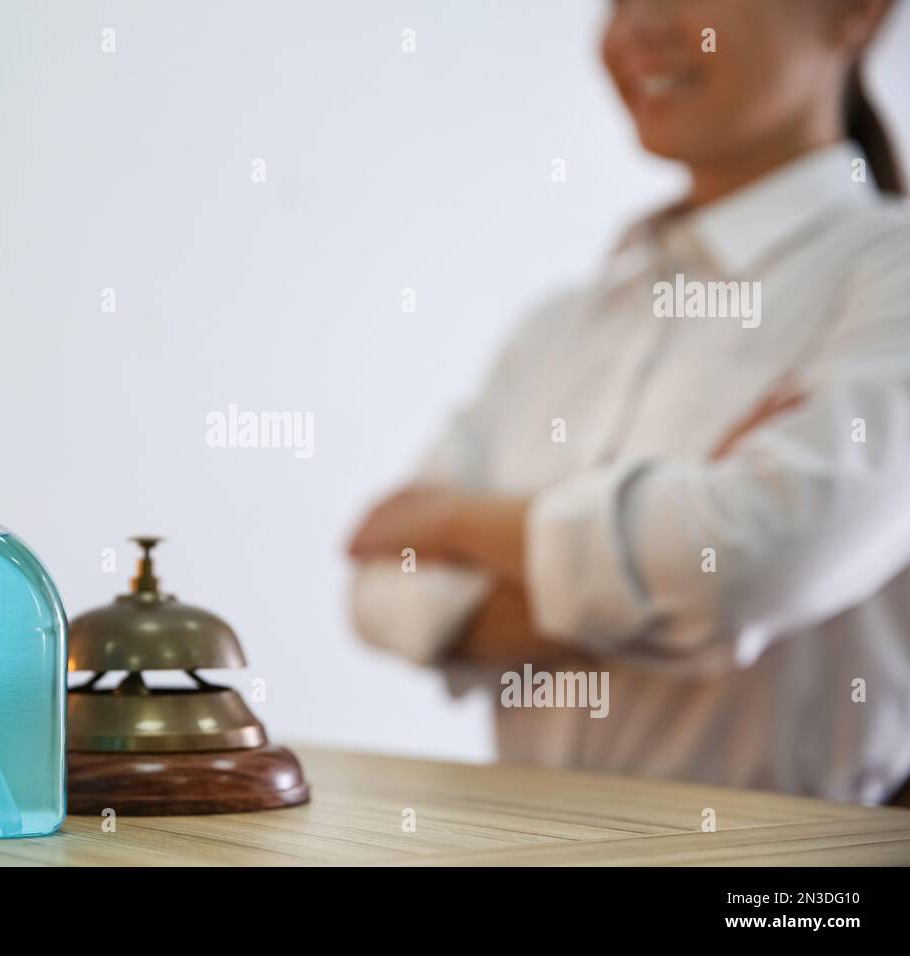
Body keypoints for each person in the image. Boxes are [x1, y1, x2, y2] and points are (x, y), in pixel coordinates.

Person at [347, 0, 910, 805]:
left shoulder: (892, 279)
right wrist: (663, 551)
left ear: (856, 14)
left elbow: (740, 565)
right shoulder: (560, 325)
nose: (636, 26)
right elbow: (378, 591)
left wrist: (450, 522)